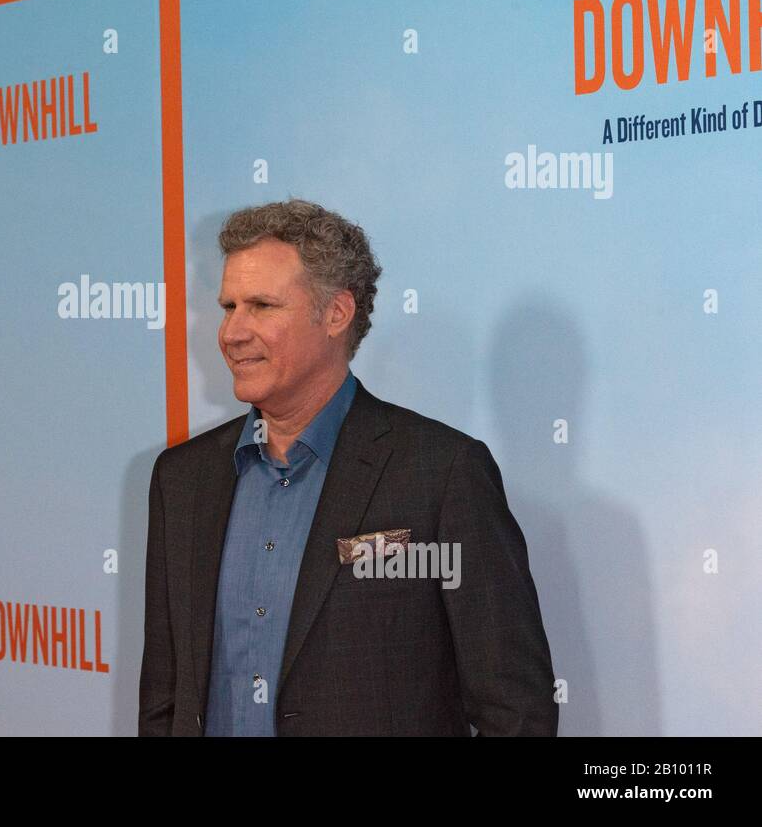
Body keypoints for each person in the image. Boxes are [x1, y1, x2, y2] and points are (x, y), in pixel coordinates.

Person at [138, 198, 557, 736]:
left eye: (262, 306)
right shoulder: (182, 480)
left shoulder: (442, 473)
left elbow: (515, 710)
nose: (232, 333)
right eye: (228, 307)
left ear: (337, 312)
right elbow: (163, 700)